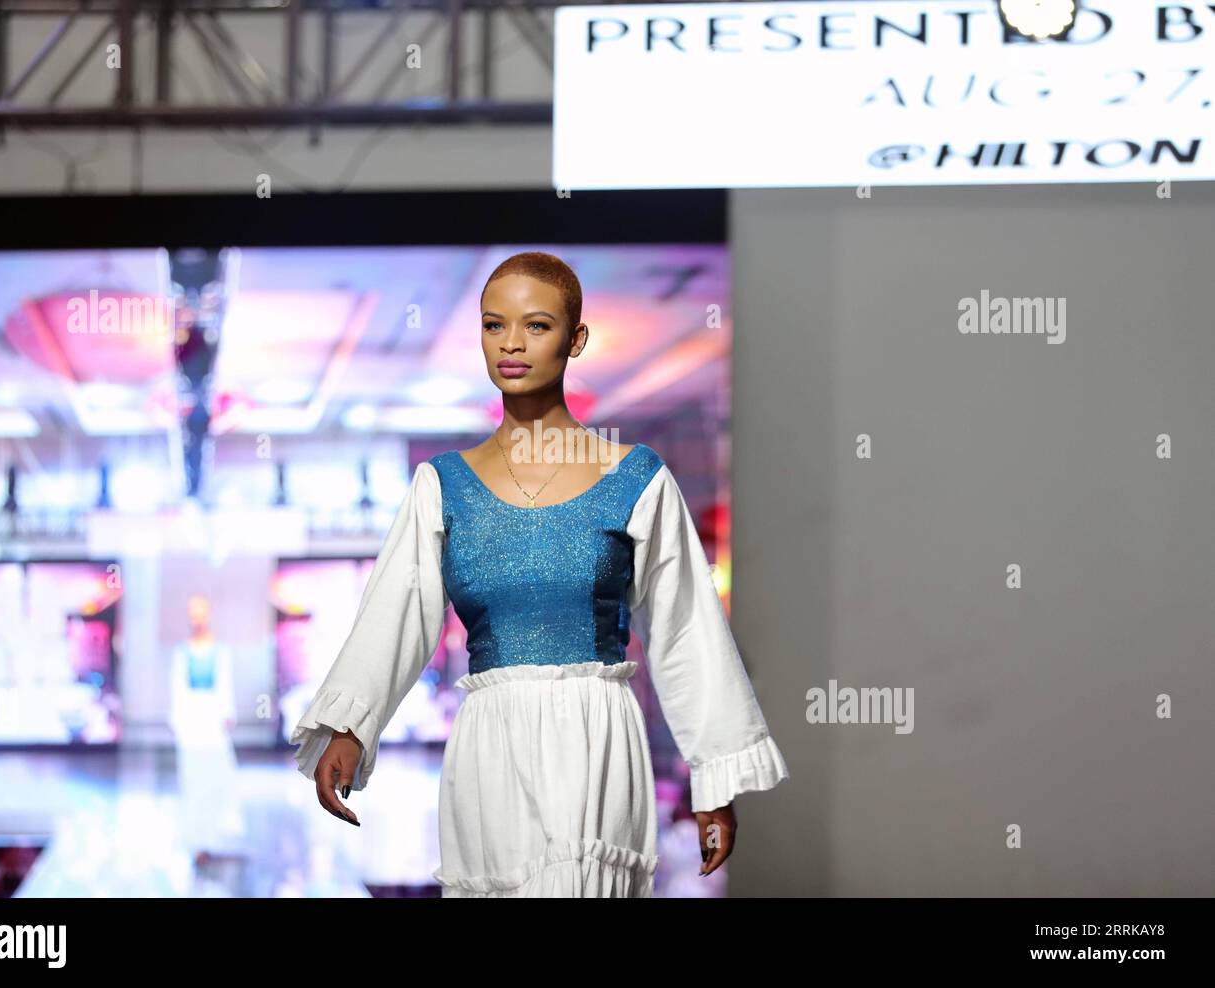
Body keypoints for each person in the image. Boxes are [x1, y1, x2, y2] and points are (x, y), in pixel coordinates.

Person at [291, 251, 788, 897]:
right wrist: (352, 724)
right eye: (494, 326)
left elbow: (685, 631)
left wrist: (715, 778)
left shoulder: (635, 479)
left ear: (575, 338)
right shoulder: (443, 485)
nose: (513, 344)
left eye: (537, 325)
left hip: (598, 742)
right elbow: (397, 614)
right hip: (489, 747)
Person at [169, 593, 244, 865]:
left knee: (218, 776)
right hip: (190, 724)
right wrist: (177, 720)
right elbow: (177, 689)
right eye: (193, 611)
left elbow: (225, 684)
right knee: (193, 779)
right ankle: (197, 838)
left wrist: (227, 713)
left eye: (201, 611)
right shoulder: (181, 652)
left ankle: (216, 835)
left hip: (213, 723)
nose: (197, 617)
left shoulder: (220, 651)